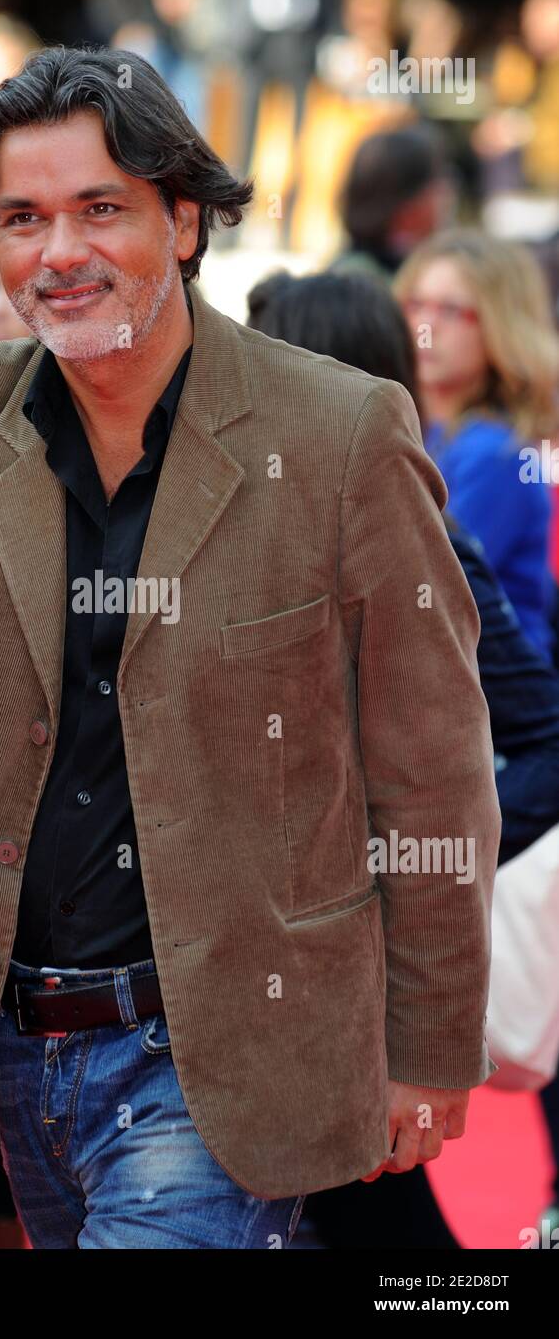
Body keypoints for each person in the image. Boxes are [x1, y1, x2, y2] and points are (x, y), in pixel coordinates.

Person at [0, 44, 500, 1251]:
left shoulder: (335, 434)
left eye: (98, 209)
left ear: (182, 220)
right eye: (21, 219)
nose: (56, 253)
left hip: (224, 1051)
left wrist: (429, 1044)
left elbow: (430, 757)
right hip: (11, 1047)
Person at [247, 267, 559, 1245]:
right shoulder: (250, 520)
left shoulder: (427, 517)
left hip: (345, 962)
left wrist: (407, 869)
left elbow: (543, 734)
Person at [394, 228, 559, 661]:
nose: (425, 326)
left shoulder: (495, 453)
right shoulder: (418, 426)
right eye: (415, 303)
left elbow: (419, 596)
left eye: (451, 310)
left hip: (496, 711)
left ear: (502, 324)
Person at [330, 125, 455, 284]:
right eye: (437, 184)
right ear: (407, 207)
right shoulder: (360, 284)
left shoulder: (405, 268)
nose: (446, 195)